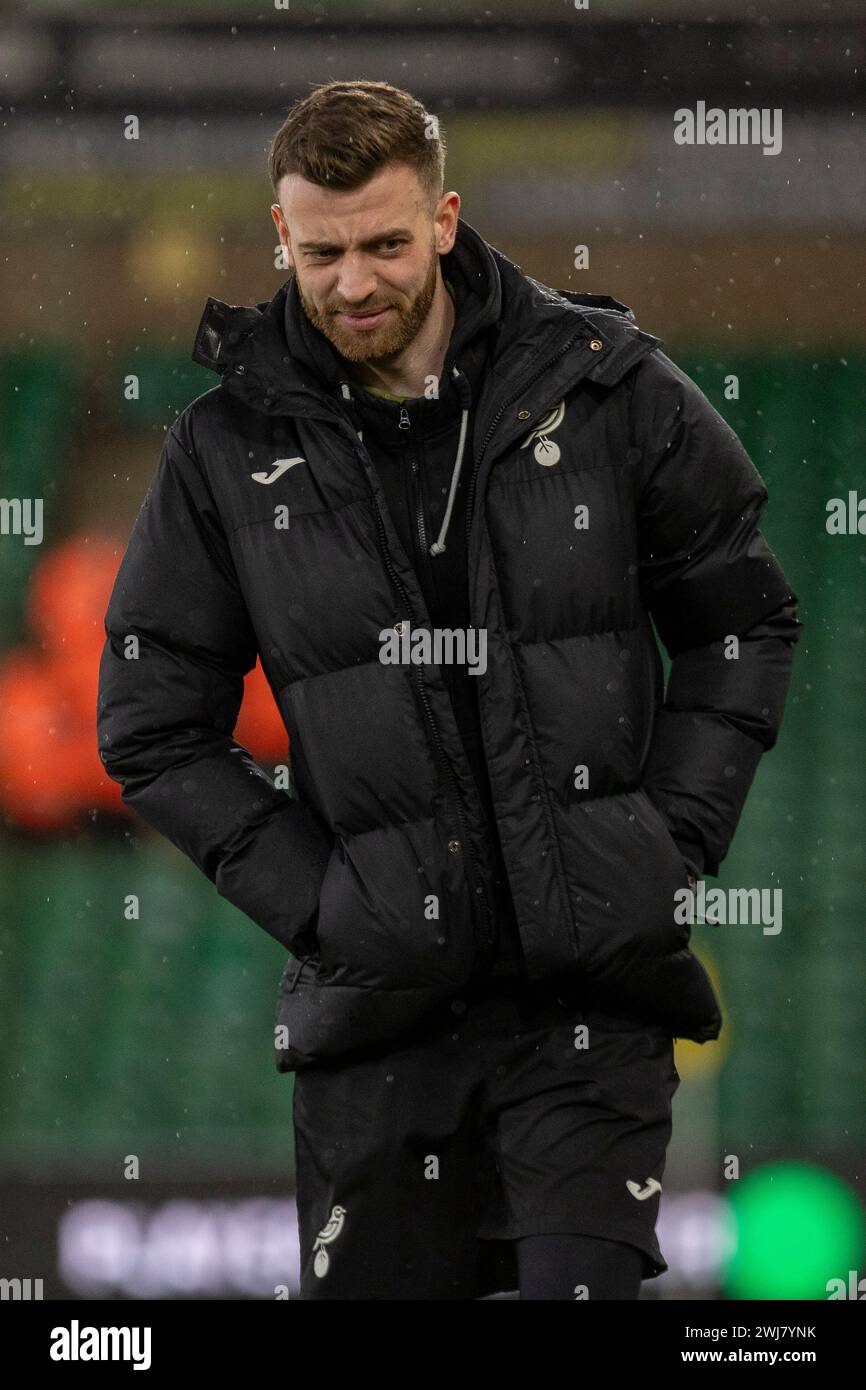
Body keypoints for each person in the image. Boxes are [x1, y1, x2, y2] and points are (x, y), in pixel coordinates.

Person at [97, 79, 802, 1300]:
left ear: (443, 220)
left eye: (383, 242)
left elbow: (743, 620)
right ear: (281, 236)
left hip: (588, 1013)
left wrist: (666, 842)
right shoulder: (223, 449)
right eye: (321, 252)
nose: (353, 282)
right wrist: (330, 905)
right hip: (381, 1028)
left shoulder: (608, 388)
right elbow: (151, 723)